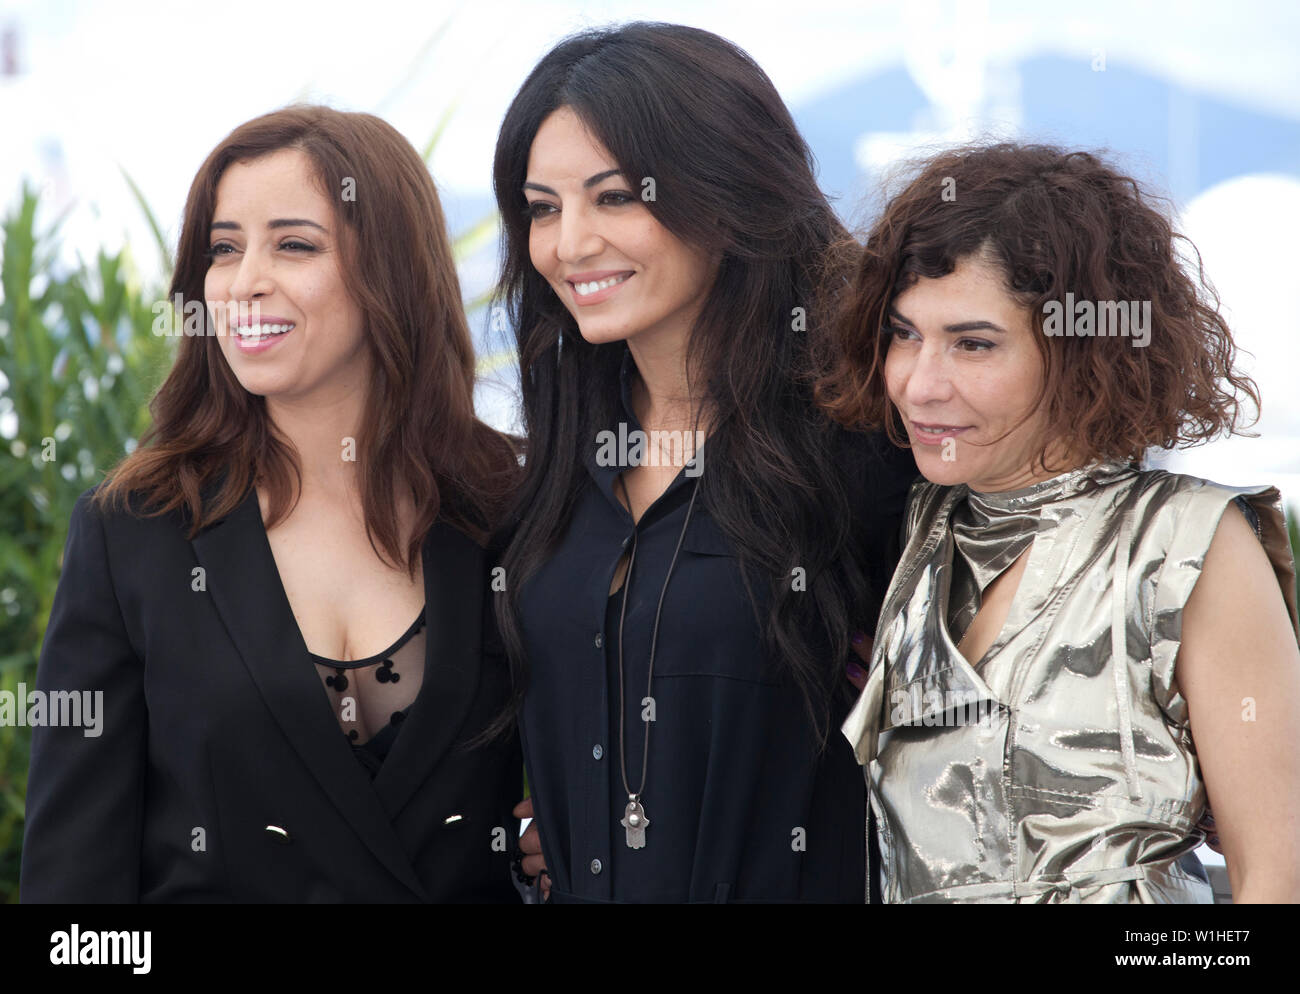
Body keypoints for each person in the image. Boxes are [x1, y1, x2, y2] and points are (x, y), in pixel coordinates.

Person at [20, 105, 523, 902]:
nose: (245, 280)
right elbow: (73, 887)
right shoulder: (134, 530)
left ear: (390, 266)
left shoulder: (512, 503)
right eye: (224, 249)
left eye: (294, 244)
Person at [491, 22, 916, 903]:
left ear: (725, 190)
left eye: (613, 198)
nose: (568, 244)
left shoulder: (871, 449)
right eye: (541, 207)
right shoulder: (556, 468)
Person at [818, 142, 1300, 903]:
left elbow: (1277, 877)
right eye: (905, 335)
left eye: (973, 344)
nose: (920, 382)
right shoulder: (913, 530)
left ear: (1086, 350)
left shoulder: (1188, 543)